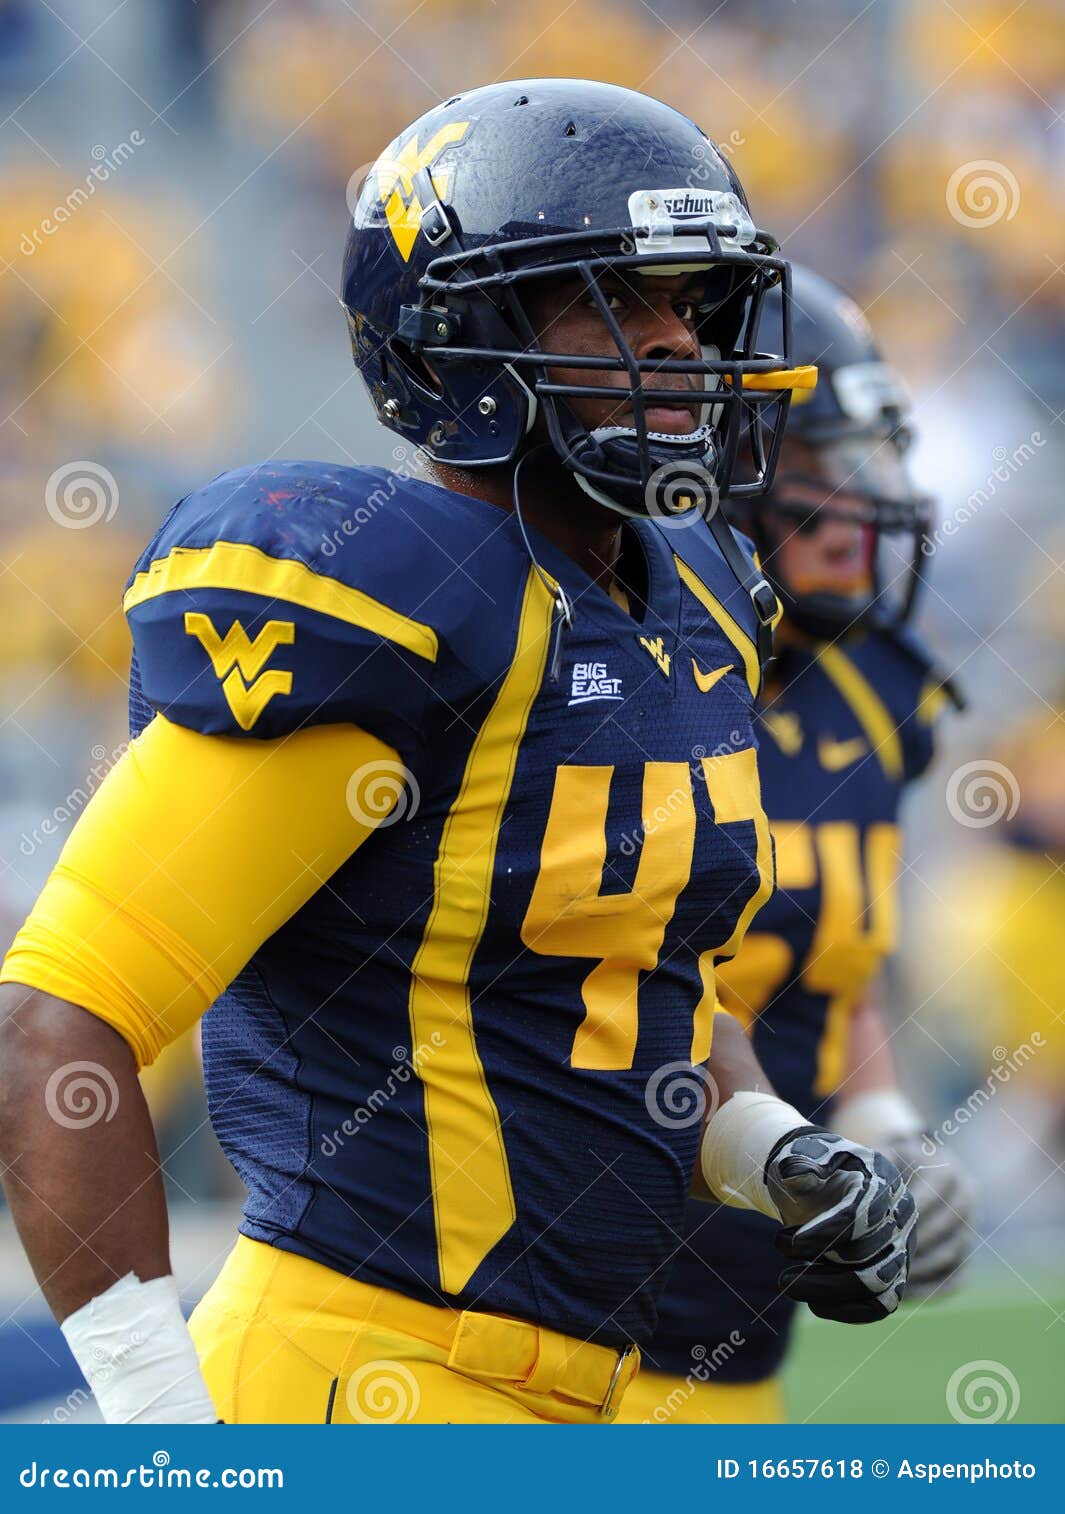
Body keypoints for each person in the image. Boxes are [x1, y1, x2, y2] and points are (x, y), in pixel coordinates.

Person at [0, 83, 915, 1426]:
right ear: (459, 339)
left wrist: (778, 1153)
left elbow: (635, 988)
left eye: (685, 303)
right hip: (354, 1377)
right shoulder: (393, 592)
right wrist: (158, 1421)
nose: (673, 345)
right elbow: (54, 1027)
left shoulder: (700, 598)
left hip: (596, 1404)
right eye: (613, 305)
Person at [619, 264, 973, 1425]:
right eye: (822, 467)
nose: (864, 506)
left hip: (750, 1322)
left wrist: (882, 1123)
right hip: (584, 1313)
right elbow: (623, 976)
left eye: (868, 461)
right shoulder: (631, 678)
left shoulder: (878, 694)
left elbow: (836, 973)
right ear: (719, 472)